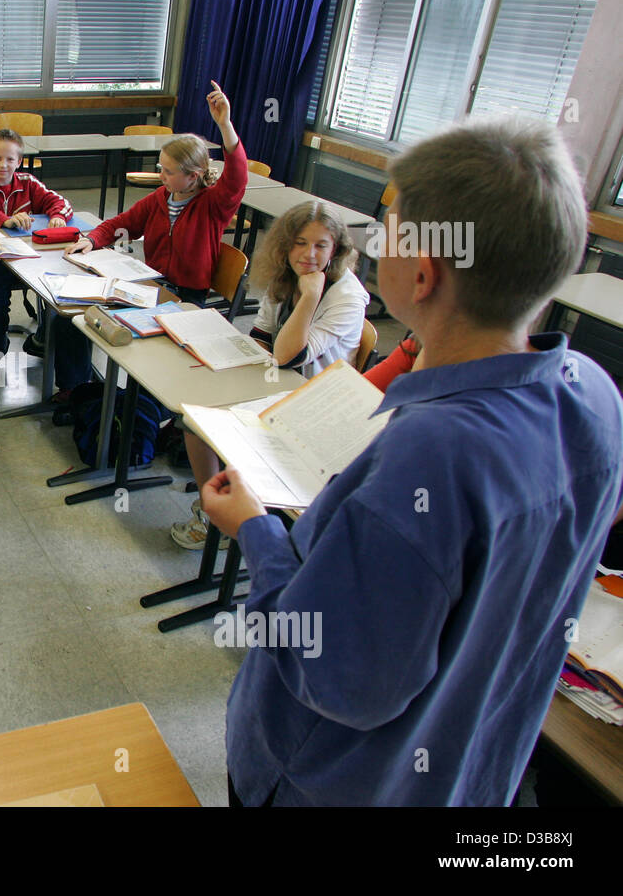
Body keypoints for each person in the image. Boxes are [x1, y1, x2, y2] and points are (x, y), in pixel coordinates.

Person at [199, 117, 623, 805]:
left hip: (332, 781)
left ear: (423, 273)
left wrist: (258, 531)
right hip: (468, 772)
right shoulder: (595, 393)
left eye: (385, 223)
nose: (368, 240)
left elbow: (333, 674)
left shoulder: (430, 453)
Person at [171, 202, 369, 550]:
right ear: (285, 244)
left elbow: (288, 356)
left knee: (203, 427)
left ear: (335, 249)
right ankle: (215, 506)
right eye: (300, 242)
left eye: (321, 245)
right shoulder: (285, 276)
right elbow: (261, 337)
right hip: (275, 384)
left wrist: (309, 297)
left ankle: (225, 519)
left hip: (310, 402)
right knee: (193, 419)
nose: (308, 254)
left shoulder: (347, 297)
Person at [65, 81, 246, 305]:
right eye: (161, 169)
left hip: (188, 295)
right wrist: (92, 239)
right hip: (154, 283)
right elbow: (122, 224)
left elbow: (237, 178)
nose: (161, 177)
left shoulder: (213, 204)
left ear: (193, 175)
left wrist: (225, 125)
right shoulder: (160, 198)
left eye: (169, 172)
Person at [0, 128, 73, 357]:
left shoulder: (28, 182)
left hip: (26, 258)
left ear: (19, 161)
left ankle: (44, 336)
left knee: (55, 277)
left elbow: (60, 201)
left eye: (10, 159)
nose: (3, 165)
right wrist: (5, 219)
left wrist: (58, 216)